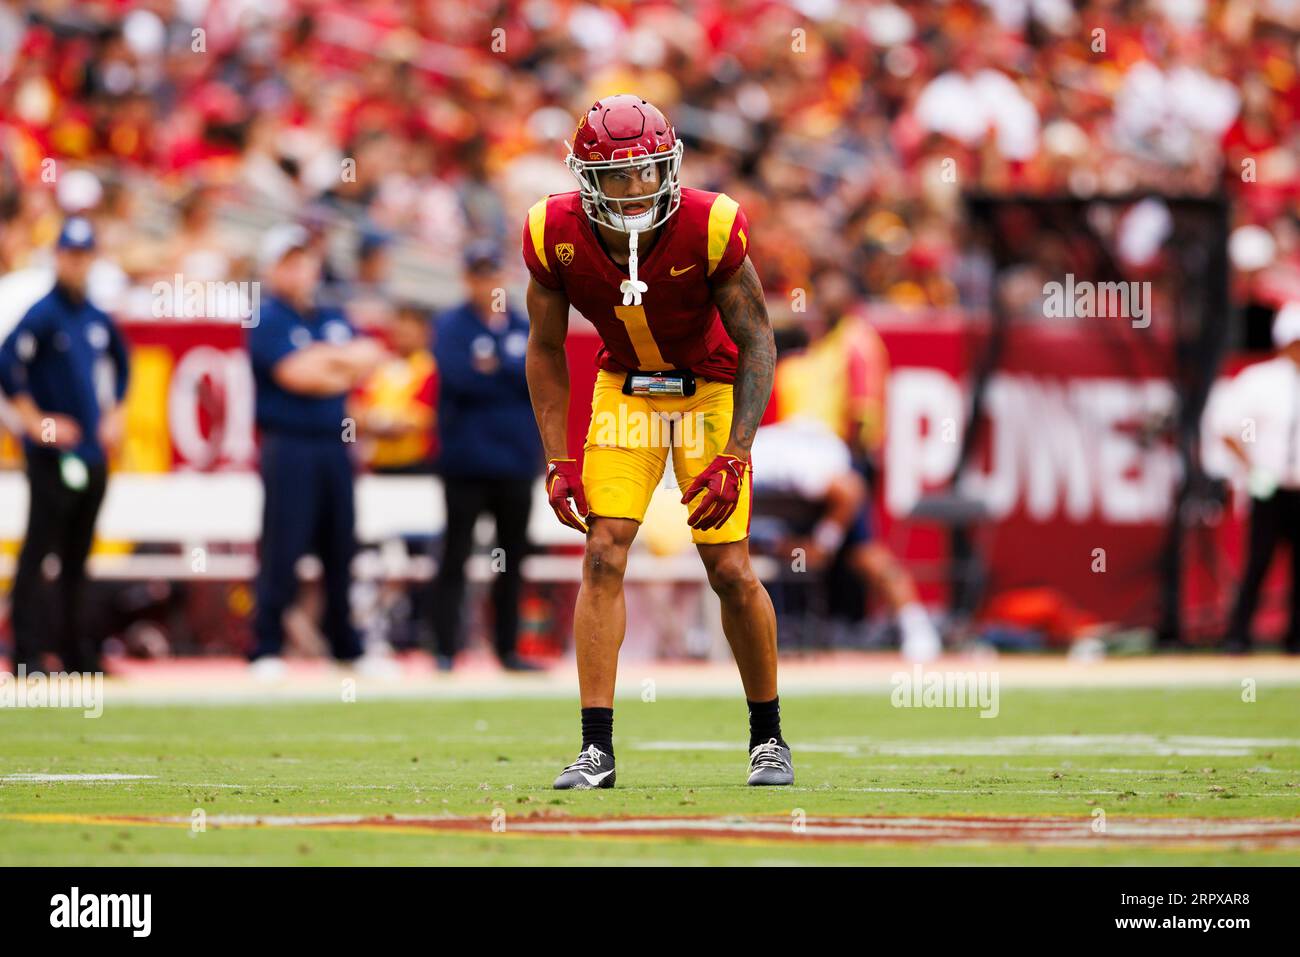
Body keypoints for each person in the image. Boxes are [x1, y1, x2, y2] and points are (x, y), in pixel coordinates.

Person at [523, 95, 791, 789]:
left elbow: (758, 335)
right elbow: (546, 348)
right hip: (627, 390)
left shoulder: (710, 223)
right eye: (618, 176)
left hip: (707, 387)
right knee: (605, 548)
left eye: (648, 171)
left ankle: (768, 736)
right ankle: (595, 749)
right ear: (587, 180)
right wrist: (557, 458)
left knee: (728, 566)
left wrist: (735, 451)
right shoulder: (552, 231)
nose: (637, 187)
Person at [246, 223, 390, 679]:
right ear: (273, 269)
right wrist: (339, 364)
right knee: (283, 544)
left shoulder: (328, 315)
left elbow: (370, 356)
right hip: (288, 443)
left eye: (305, 260)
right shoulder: (267, 317)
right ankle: (266, 644)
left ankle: (345, 643)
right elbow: (295, 375)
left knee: (340, 542)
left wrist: (329, 364)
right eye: (290, 261)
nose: (301, 270)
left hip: (334, 441)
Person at [0, 216, 129, 674]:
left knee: (78, 555)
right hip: (52, 454)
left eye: (82, 255)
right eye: (69, 254)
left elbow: (123, 362)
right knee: (40, 549)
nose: (75, 263)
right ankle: (27, 651)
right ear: (58, 257)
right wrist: (36, 423)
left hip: (91, 452)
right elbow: (7, 365)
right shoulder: (42, 314)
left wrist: (116, 414)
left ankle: (76, 652)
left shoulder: (94, 316)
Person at [431, 243, 541, 672]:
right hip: (466, 462)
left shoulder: (522, 321)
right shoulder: (452, 325)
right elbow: (458, 378)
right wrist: (504, 373)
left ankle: (508, 648)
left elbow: (536, 375)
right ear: (467, 280)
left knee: (513, 557)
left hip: (514, 462)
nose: (486, 283)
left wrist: (494, 369)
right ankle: (444, 647)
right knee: (455, 554)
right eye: (478, 275)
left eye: (491, 273)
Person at [1219, 302, 1300, 655]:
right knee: (1258, 562)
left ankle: (1295, 637)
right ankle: (1238, 634)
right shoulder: (1260, 380)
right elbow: (1228, 429)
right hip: (1268, 487)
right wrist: (1254, 471)